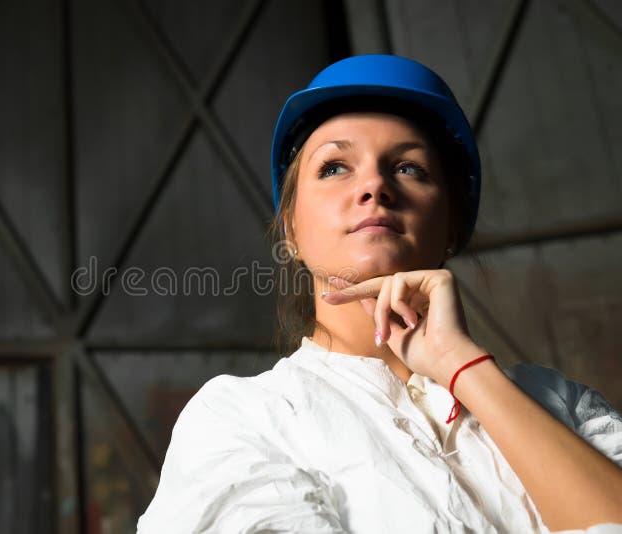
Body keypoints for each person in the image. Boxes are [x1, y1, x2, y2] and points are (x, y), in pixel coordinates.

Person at [136, 54, 622, 533]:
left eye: (409, 168)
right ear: (290, 231)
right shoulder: (243, 417)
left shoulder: (565, 405)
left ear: (452, 225)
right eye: (333, 168)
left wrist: (465, 368)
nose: (374, 185)